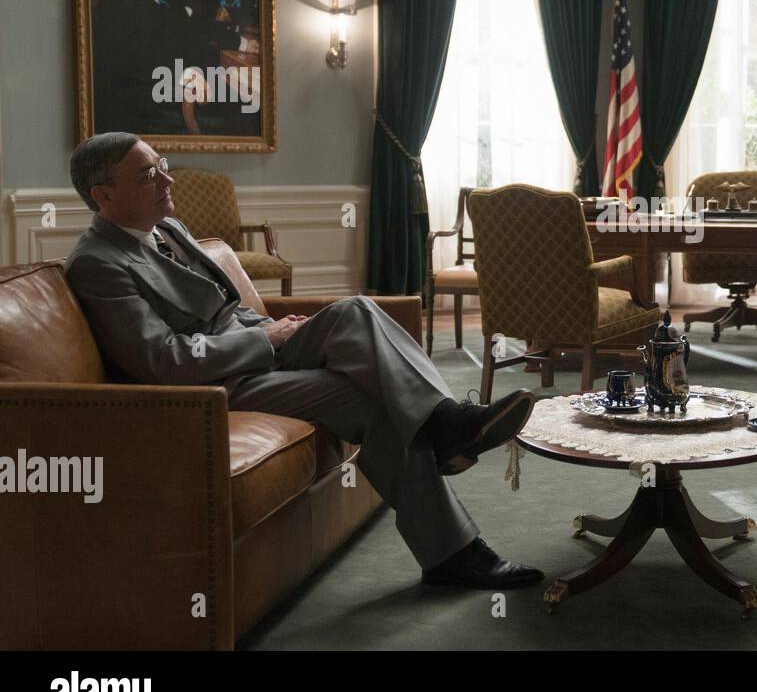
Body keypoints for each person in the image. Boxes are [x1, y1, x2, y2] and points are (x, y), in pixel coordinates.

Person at [64, 132, 543, 589]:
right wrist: (269, 338)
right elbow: (163, 361)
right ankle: (454, 545)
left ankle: (446, 429)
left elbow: (225, 309)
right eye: (149, 175)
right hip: (211, 387)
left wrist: (266, 327)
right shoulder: (97, 263)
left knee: (354, 311)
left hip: (249, 350)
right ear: (103, 195)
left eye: (162, 166)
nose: (168, 180)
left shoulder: (167, 227)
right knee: (367, 397)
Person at [92, 0, 259, 135]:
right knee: (240, 114)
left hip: (197, 74)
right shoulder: (120, 0)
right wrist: (183, 75)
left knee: (249, 99)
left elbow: (198, 24)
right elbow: (133, 58)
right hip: (156, 88)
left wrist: (241, 42)